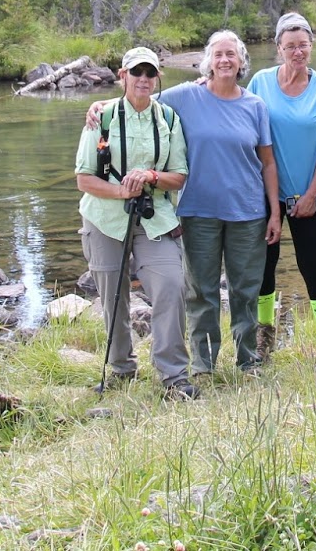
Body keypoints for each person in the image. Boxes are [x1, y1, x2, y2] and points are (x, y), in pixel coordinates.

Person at [92, 32, 281, 376]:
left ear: (241, 62)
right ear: (208, 61)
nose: (224, 60)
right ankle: (204, 363)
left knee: (245, 290)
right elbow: (139, 97)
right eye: (218, 54)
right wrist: (100, 107)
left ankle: (247, 360)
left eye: (231, 55)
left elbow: (267, 163)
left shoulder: (255, 106)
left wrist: (275, 213)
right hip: (197, 212)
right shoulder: (184, 97)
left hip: (248, 213)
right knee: (201, 292)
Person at [73, 46, 195, 399]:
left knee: (171, 286)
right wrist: (122, 192)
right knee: (113, 297)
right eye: (136, 72)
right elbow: (84, 179)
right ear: (122, 75)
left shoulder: (169, 119)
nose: (143, 79)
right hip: (105, 219)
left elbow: (179, 176)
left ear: (157, 78)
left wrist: (151, 176)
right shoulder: (102, 118)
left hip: (155, 219)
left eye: (150, 73)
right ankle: (121, 367)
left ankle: (173, 376)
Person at [246, 12, 316, 372]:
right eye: (290, 46)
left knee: (313, 266)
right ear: (278, 48)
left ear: (311, 45)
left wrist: (310, 194)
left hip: (310, 197)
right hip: (264, 195)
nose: (297, 52)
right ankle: (264, 337)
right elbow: (238, 118)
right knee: (264, 268)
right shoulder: (260, 82)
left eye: (303, 45)